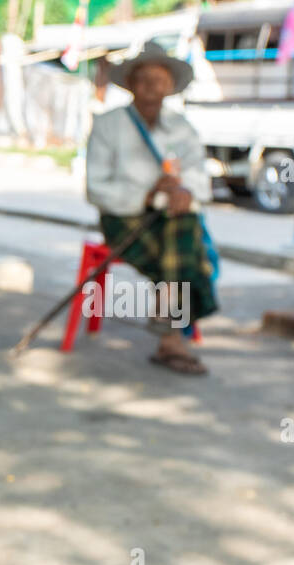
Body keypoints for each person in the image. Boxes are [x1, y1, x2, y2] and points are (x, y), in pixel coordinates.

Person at [86, 41, 219, 375]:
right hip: (122, 218)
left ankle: (169, 335)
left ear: (170, 85)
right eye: (143, 78)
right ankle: (172, 339)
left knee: (183, 222)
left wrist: (184, 190)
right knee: (183, 256)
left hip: (169, 218)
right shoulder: (108, 124)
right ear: (131, 82)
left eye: (159, 79)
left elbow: (200, 178)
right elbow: (95, 187)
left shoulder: (182, 129)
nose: (151, 86)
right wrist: (146, 195)